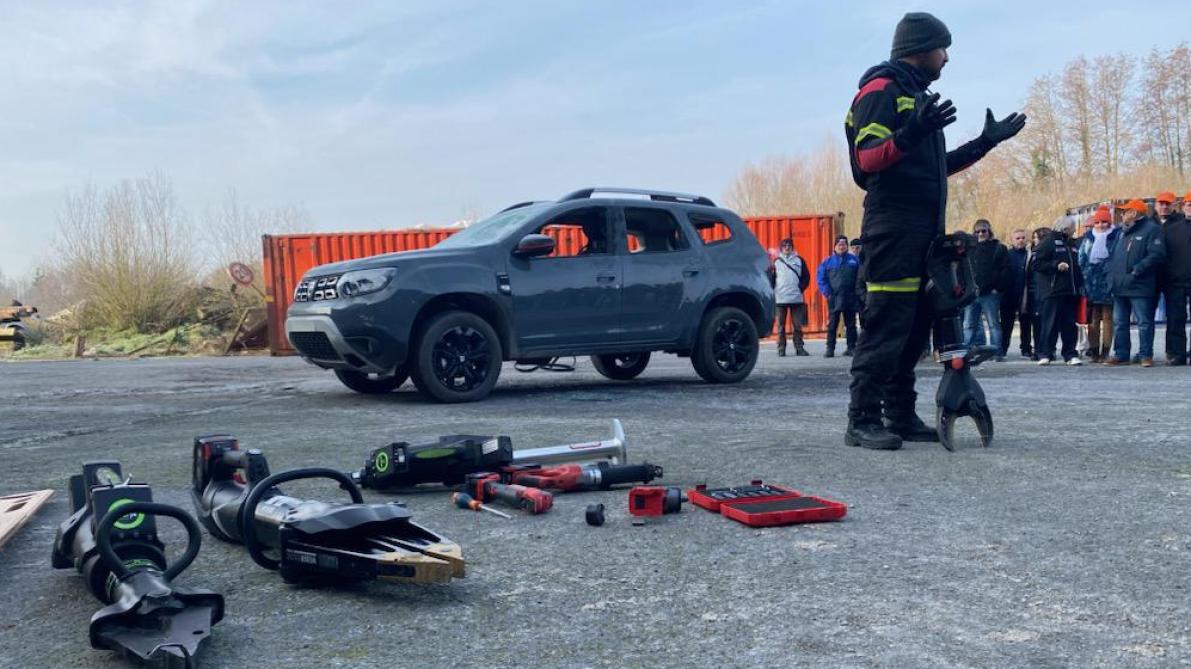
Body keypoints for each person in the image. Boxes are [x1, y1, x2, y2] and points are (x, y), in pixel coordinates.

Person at [843, 11, 1026, 449]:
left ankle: (900, 416)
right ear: (920, 49)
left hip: (924, 234)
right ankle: (861, 420)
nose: (946, 59)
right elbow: (868, 160)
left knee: (913, 329)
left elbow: (936, 169)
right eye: (942, 49)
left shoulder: (915, 97)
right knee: (886, 326)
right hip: (893, 232)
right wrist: (913, 131)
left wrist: (985, 143)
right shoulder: (881, 90)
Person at [1106, 199, 1166, 367]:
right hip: (1119, 285)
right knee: (1119, 322)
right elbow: (1113, 255)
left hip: (1140, 285)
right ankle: (1121, 354)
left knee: (1144, 322)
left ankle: (1146, 354)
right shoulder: (1121, 232)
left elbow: (1157, 254)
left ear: (1134, 213)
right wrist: (1110, 275)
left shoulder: (1152, 229)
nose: (1122, 214)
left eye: (1125, 211)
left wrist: (1137, 270)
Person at [1034, 217, 1084, 365]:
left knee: (1069, 324)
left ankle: (1070, 354)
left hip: (1070, 291)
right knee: (1050, 324)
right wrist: (1056, 265)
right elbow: (1037, 264)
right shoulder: (1049, 241)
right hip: (1053, 290)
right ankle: (1045, 354)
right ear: (1065, 228)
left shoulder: (1072, 244)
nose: (1075, 230)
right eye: (1073, 227)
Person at [964, 219, 1009, 359]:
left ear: (989, 231)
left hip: (990, 293)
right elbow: (963, 269)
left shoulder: (999, 248)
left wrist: (998, 287)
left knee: (993, 325)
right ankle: (966, 353)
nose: (981, 234)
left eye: (984, 230)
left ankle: (997, 353)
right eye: (977, 231)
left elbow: (1006, 270)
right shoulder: (969, 249)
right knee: (968, 325)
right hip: (971, 293)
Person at [1078, 206, 1118, 362]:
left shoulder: (1116, 237)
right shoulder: (1088, 238)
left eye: (1104, 222)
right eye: (1098, 222)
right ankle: (1094, 351)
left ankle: (1106, 351)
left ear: (1109, 223)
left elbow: (1116, 257)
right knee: (1093, 319)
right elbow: (1081, 259)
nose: (1101, 225)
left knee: (1108, 318)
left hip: (1108, 282)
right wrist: (1085, 279)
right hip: (1091, 283)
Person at [1156, 191, 1191, 364]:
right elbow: (1162, 255)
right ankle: (1178, 354)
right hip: (1175, 282)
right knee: (1176, 319)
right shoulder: (1171, 229)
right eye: (1189, 205)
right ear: (1184, 206)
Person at [817, 235, 861, 357]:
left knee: (851, 324)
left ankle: (851, 347)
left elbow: (860, 277)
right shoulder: (828, 262)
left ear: (847, 246)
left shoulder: (854, 261)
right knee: (832, 325)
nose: (842, 247)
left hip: (850, 296)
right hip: (834, 298)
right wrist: (827, 293)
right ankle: (830, 349)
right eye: (839, 244)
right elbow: (821, 279)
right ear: (835, 246)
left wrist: (857, 291)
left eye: (844, 244)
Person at [768, 237, 810, 357]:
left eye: (789, 246)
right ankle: (781, 349)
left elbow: (806, 277)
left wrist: (800, 288)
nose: (787, 248)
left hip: (796, 298)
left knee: (798, 325)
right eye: (785, 246)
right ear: (781, 248)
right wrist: (774, 291)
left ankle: (799, 348)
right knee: (780, 327)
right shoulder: (776, 262)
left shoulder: (799, 260)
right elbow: (771, 279)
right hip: (780, 298)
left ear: (792, 247)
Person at [1001, 228, 1029, 357]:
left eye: (1023, 238)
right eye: (1017, 238)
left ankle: (1026, 348)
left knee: (1026, 323)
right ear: (1012, 240)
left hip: (1025, 293)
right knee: (1006, 323)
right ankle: (1003, 348)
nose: (1021, 240)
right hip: (1009, 294)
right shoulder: (1006, 255)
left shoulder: (1030, 255)